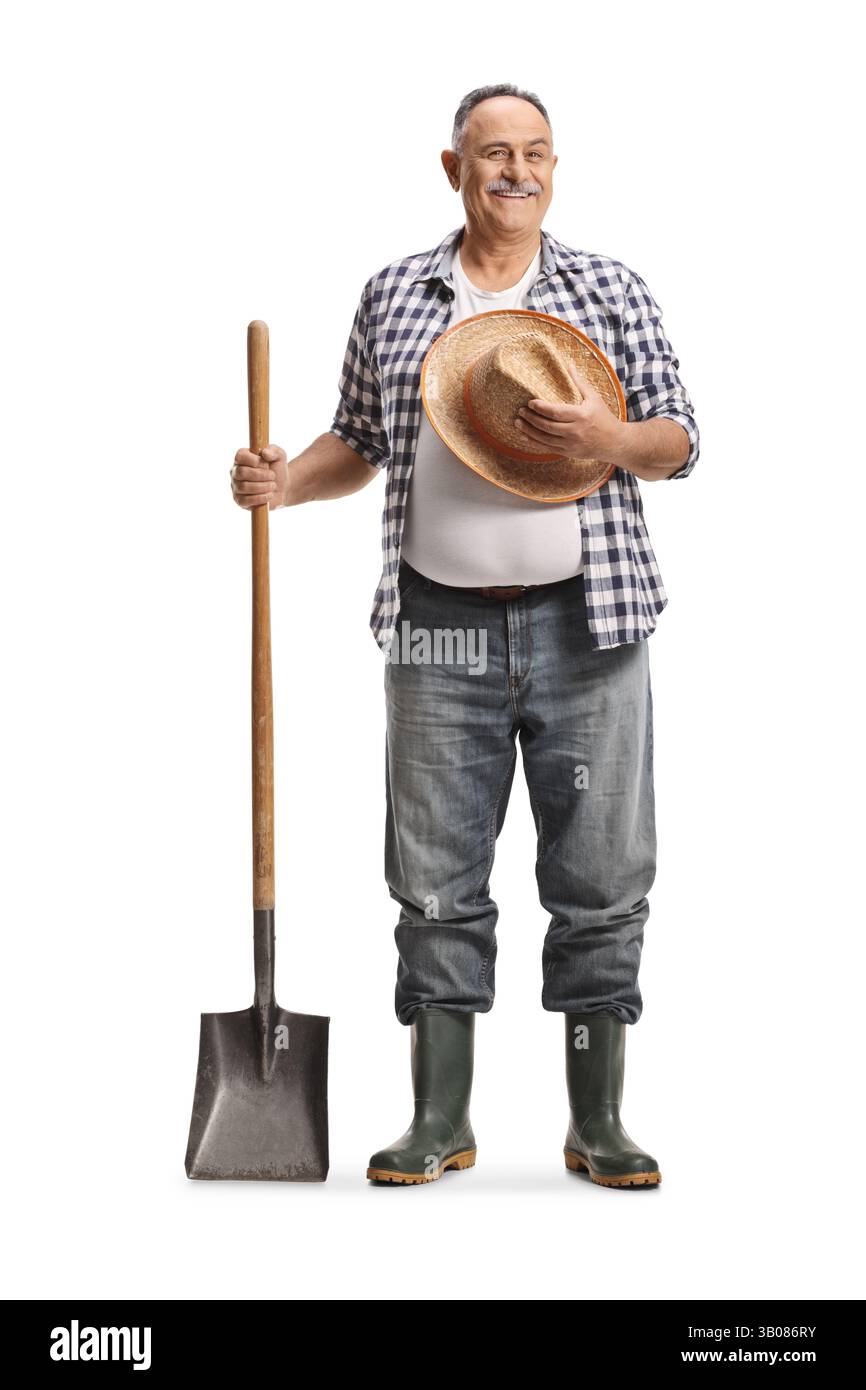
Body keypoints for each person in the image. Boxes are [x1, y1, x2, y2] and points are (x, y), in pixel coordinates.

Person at [230, 83, 700, 1189]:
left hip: (590, 630)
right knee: (433, 877)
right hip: (434, 627)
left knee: (600, 878)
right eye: (493, 152)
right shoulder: (396, 295)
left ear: (554, 166)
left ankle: (597, 1122)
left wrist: (607, 433)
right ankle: (438, 1116)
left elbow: (678, 442)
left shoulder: (607, 289)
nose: (516, 171)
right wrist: (284, 481)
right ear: (451, 169)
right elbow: (357, 439)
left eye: (535, 152)